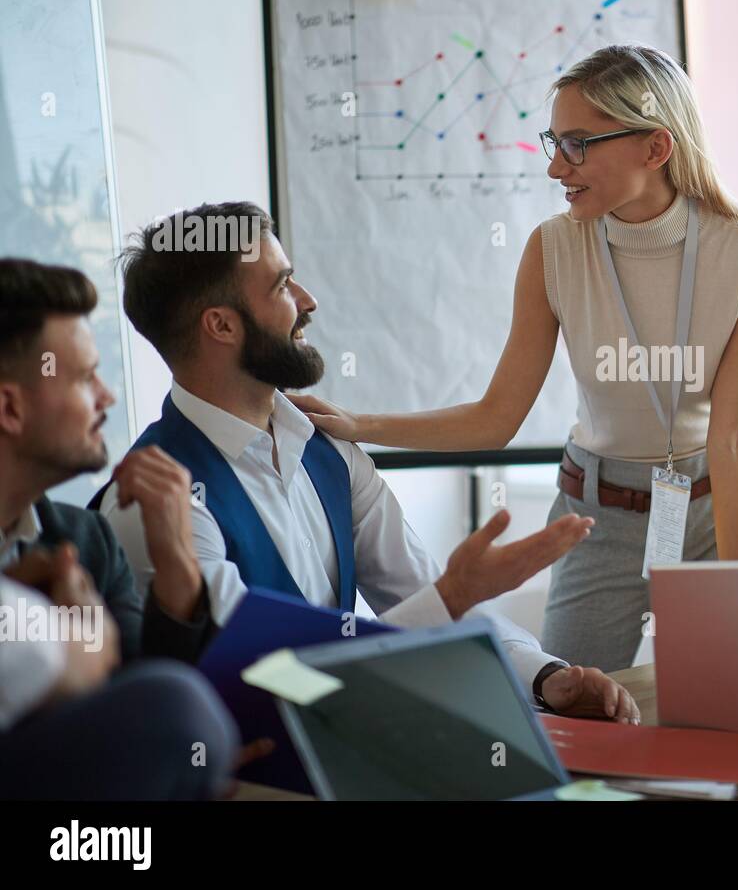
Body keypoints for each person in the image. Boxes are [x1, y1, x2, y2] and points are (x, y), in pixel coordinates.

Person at [290, 45, 738, 671]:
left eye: (577, 145)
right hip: (595, 513)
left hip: (718, 507)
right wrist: (362, 427)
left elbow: (734, 435)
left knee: (724, 697)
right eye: (553, 141)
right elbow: (495, 419)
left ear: (655, 148)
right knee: (570, 701)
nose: (555, 168)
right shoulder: (553, 248)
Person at [98, 202, 638, 722]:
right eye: (283, 286)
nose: (308, 301)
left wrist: (544, 678)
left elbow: (415, 591)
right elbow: (272, 676)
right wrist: (454, 594)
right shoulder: (157, 497)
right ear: (221, 326)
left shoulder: (330, 451)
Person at [0, 258, 237, 799]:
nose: (107, 397)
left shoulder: (85, 540)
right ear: (10, 408)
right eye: (85, 378)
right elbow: (167, 716)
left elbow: (143, 704)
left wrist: (176, 559)